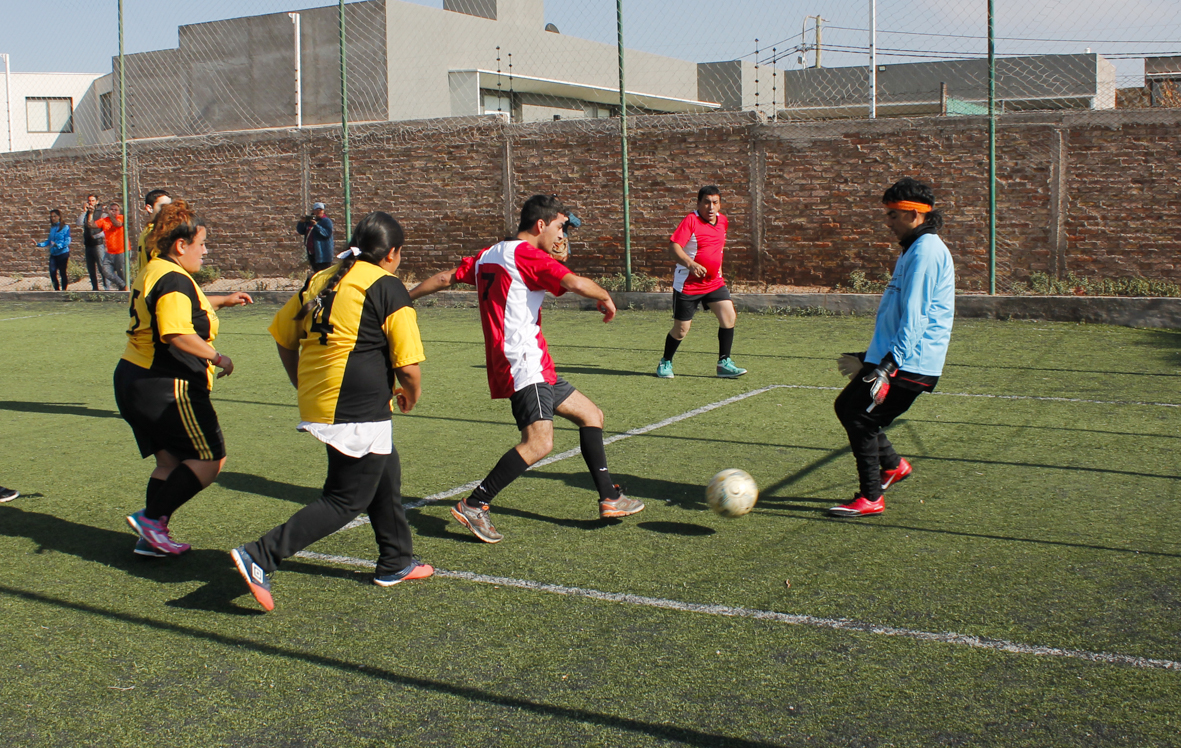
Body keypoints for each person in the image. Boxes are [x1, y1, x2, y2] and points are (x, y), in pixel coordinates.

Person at [410, 194, 644, 544]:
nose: (562, 234)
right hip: (523, 362)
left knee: (591, 415)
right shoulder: (527, 255)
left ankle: (610, 498)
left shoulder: (491, 253)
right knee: (538, 443)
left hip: (534, 363)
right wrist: (606, 297)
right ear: (540, 225)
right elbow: (575, 284)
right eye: (560, 226)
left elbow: (445, 278)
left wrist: (403, 297)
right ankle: (476, 504)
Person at [232, 212, 432, 612]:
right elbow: (408, 366)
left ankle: (395, 560)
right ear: (392, 253)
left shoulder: (321, 278)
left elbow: (283, 337)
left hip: (329, 399)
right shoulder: (387, 286)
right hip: (356, 405)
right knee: (345, 499)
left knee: (384, 471)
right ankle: (261, 554)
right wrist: (412, 394)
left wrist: (301, 382)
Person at [117, 200, 253, 557]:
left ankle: (151, 539)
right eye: (202, 244)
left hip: (134, 377)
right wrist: (218, 357)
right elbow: (176, 332)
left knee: (170, 463)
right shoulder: (174, 278)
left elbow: (179, 304)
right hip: (167, 384)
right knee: (210, 458)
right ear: (181, 244)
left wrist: (221, 300)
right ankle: (152, 520)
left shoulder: (155, 269)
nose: (205, 252)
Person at [829, 177, 955, 518]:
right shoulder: (914, 249)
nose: (888, 223)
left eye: (893, 215)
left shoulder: (927, 251)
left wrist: (886, 366)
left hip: (911, 363)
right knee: (848, 407)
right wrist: (869, 357)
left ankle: (871, 496)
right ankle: (894, 466)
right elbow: (897, 315)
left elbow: (916, 315)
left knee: (860, 417)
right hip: (899, 357)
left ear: (915, 215)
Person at [656, 185, 747, 379]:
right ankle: (665, 362)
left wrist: (718, 268)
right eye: (706, 202)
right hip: (688, 285)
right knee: (681, 330)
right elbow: (674, 247)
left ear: (720, 204)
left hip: (714, 283)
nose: (711, 207)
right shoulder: (691, 220)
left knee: (729, 317)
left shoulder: (723, 221)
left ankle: (724, 363)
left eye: (715, 202)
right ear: (699, 203)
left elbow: (716, 247)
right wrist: (690, 263)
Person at [135, 189, 172, 275]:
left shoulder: (148, 230)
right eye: (163, 206)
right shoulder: (156, 232)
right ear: (149, 208)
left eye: (170, 206)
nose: (169, 210)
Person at [78, 194, 111, 291]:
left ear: (97, 201)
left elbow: (107, 229)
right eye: (89, 201)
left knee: (102, 267)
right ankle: (95, 288)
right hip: (88, 244)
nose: (90, 203)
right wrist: (84, 212)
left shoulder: (101, 213)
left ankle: (107, 288)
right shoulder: (86, 214)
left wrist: (97, 235)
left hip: (98, 244)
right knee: (91, 269)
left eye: (92, 200)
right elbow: (79, 223)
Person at [94, 202, 128, 291]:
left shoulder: (121, 218)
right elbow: (91, 225)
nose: (113, 211)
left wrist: (110, 215)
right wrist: (89, 213)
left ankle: (124, 291)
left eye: (115, 210)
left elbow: (117, 224)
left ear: (119, 211)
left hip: (122, 250)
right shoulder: (104, 220)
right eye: (111, 209)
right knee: (106, 271)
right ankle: (124, 286)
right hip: (110, 252)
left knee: (122, 272)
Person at [36, 209, 71, 291]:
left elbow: (67, 241)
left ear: (59, 217)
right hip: (53, 254)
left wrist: (58, 245)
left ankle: (64, 290)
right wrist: (38, 244)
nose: (53, 218)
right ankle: (56, 290)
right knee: (52, 272)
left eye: (55, 216)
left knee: (62, 272)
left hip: (62, 253)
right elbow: (49, 241)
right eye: (51, 217)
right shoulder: (52, 228)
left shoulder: (65, 227)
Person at [297, 202, 335, 273]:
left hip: (323, 253)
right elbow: (301, 231)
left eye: (320, 210)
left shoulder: (326, 221)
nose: (318, 212)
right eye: (316, 210)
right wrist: (302, 222)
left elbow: (326, 234)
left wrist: (316, 225)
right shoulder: (309, 221)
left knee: (324, 272)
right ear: (313, 211)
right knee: (316, 271)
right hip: (312, 252)